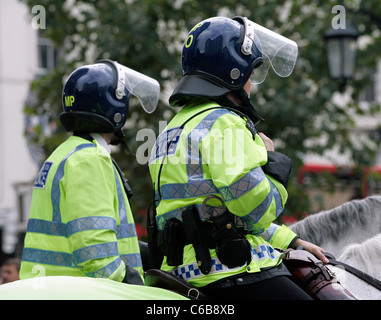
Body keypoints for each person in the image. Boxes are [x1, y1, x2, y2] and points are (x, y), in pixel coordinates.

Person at [148, 16, 328, 299]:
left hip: (181, 275)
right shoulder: (223, 123)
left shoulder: (169, 132)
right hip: (231, 272)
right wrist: (272, 162)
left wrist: (289, 239)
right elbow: (255, 209)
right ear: (233, 73)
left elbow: (216, 214)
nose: (251, 84)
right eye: (251, 74)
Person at [20, 60, 160, 284]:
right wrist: (136, 286)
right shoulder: (89, 159)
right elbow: (97, 256)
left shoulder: (64, 153)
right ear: (114, 109)